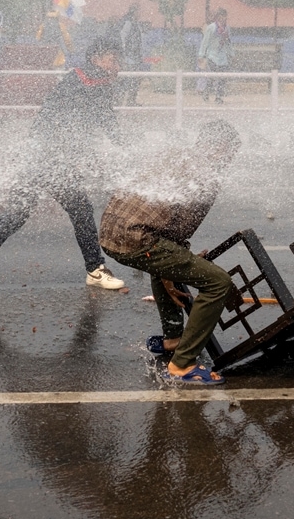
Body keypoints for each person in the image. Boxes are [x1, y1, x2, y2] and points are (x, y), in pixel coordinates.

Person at [0, 35, 129, 299]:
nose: (118, 64)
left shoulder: (97, 83)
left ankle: (95, 270)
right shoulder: (83, 80)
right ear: (97, 60)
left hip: (59, 160)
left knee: (81, 210)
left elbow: (105, 122)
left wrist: (126, 147)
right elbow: (68, 118)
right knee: (17, 214)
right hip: (44, 158)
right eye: (113, 58)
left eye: (118, 59)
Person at [100, 122, 240, 386]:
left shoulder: (176, 155)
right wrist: (180, 262)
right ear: (221, 149)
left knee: (169, 263)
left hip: (111, 233)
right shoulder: (206, 175)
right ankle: (183, 365)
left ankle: (173, 338)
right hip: (135, 239)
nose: (230, 160)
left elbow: (168, 240)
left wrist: (173, 266)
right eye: (231, 153)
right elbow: (177, 232)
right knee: (218, 282)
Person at [197, 8, 231, 103]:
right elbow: (205, 41)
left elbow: (229, 42)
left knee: (222, 77)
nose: (223, 18)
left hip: (222, 56)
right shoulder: (211, 27)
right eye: (221, 16)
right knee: (213, 76)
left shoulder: (227, 28)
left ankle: (219, 97)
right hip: (212, 55)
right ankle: (206, 92)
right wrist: (201, 54)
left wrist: (231, 53)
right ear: (218, 17)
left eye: (225, 16)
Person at [119, 4, 145, 105]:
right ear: (134, 12)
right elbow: (123, 37)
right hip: (129, 56)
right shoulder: (129, 23)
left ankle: (131, 100)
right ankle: (124, 100)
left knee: (135, 79)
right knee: (129, 79)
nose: (140, 14)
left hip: (135, 56)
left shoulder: (136, 23)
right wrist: (124, 54)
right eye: (139, 11)